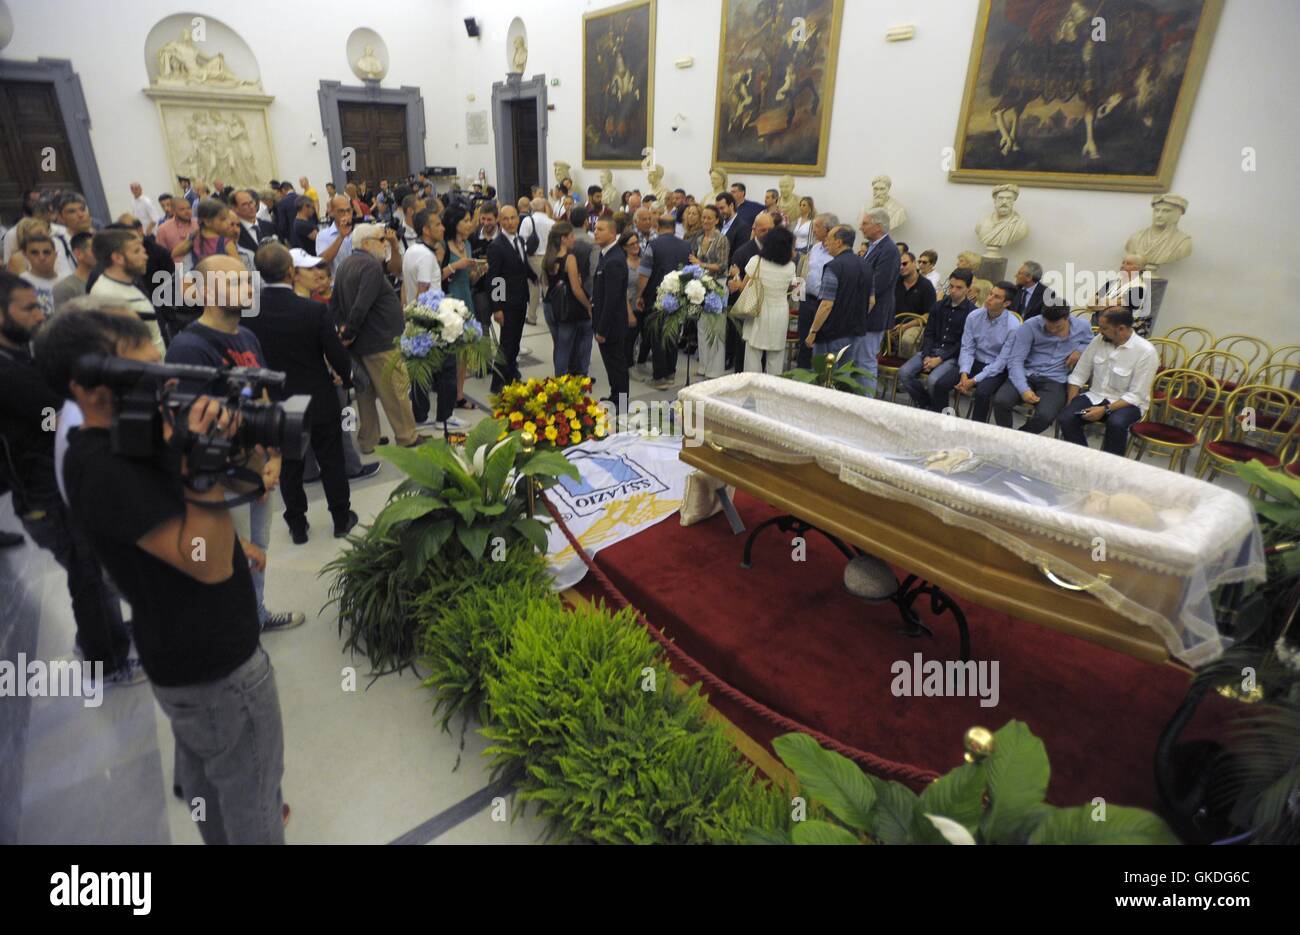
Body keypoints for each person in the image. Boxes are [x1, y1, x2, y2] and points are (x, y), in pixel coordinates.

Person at [38, 307, 289, 844]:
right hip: (217, 669)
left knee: (207, 785)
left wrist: (224, 451)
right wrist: (202, 469)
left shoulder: (127, 432)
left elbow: (174, 517)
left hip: (179, 657)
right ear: (86, 384)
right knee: (254, 804)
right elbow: (204, 559)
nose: (162, 385)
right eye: (143, 374)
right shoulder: (96, 465)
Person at [0, 276, 143, 685]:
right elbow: (55, 412)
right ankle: (109, 661)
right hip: (46, 494)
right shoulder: (8, 373)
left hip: (56, 484)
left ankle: (103, 634)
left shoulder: (23, 356)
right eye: (27, 308)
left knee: (94, 572)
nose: (39, 314)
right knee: (89, 574)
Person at [165, 256, 304, 631]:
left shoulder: (247, 337)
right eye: (235, 282)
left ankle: (255, 616)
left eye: (247, 281)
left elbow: (260, 397)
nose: (247, 289)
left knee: (258, 552)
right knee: (230, 561)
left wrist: (271, 459)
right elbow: (193, 432)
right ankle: (236, 632)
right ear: (206, 291)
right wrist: (242, 474)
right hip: (222, 482)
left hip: (256, 472)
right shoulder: (188, 348)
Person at [247, 244, 356, 542]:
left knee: (291, 466)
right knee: (331, 459)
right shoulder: (313, 309)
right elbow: (336, 354)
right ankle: (340, 518)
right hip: (318, 397)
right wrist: (346, 379)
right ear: (291, 272)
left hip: (279, 401)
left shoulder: (250, 314)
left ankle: (297, 525)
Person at [330, 223, 422, 451]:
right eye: (381, 240)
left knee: (365, 394)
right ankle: (407, 436)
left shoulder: (345, 265)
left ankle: (368, 440)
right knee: (395, 390)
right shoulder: (369, 266)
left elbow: (335, 304)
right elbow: (362, 304)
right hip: (379, 341)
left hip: (360, 343)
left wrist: (343, 331)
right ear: (366, 243)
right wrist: (348, 331)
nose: (385, 244)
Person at [1058, 307, 1158, 455]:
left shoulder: (1145, 352)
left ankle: (1111, 466)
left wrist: (1105, 410)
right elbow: (1079, 374)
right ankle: (1084, 460)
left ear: (1121, 329)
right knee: (1067, 416)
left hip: (1126, 404)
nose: (1100, 331)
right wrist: (1071, 403)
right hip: (1096, 396)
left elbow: (1136, 395)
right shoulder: (1099, 340)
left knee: (1116, 423)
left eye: (1104, 328)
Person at [991, 303, 1094, 434]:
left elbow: (1092, 343)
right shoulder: (1030, 326)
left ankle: (1018, 438)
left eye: (1058, 327)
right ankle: (1005, 435)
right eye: (1049, 327)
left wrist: (1080, 350)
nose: (1053, 331)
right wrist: (1024, 389)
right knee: (1001, 401)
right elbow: (1015, 361)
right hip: (1027, 372)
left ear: (1067, 317)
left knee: (1045, 416)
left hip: (1056, 378)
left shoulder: (1082, 326)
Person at [898, 269, 976, 410]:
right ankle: (927, 404)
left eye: (959, 287)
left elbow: (963, 343)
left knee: (934, 380)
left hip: (952, 355)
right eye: (951, 286)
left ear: (968, 289)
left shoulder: (972, 312)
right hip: (932, 350)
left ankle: (937, 410)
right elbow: (929, 333)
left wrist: (940, 359)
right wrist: (927, 354)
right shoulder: (938, 305)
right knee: (904, 372)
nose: (953, 291)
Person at [805, 226, 870, 389]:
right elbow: (872, 301)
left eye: (830, 239)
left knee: (824, 379)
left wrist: (813, 331)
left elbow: (827, 304)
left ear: (839, 242)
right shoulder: (866, 266)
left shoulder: (834, 267)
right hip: (856, 332)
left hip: (832, 333)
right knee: (844, 378)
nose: (826, 243)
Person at [952, 280, 1021, 423]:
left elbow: (1002, 362)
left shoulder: (1013, 326)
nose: (989, 298)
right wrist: (964, 373)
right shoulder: (974, 316)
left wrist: (974, 380)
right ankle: (943, 422)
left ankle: (977, 429)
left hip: (995, 367)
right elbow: (967, 347)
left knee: (982, 393)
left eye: (996, 297)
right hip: (973, 361)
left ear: (1006, 303)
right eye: (990, 293)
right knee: (940, 383)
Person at [636, 214, 692, 390]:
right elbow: (690, 271)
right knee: (673, 333)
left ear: (657, 226)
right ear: (674, 228)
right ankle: (670, 373)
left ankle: (659, 377)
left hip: (656, 296)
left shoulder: (653, 245)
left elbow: (644, 274)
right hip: (678, 296)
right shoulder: (686, 245)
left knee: (656, 335)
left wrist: (639, 295)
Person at [486, 205, 537, 391]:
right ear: (500, 221)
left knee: (515, 342)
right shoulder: (497, 246)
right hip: (506, 303)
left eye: (513, 218)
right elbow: (495, 278)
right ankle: (498, 383)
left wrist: (535, 276)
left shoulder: (519, 240)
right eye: (505, 219)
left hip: (520, 299)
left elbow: (522, 264)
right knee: (506, 344)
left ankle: (511, 375)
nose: (510, 222)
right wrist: (497, 307)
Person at [89, 230, 162, 352]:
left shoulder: (128, 285)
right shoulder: (107, 296)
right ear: (118, 258)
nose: (145, 256)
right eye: (136, 251)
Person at [740, 226, 797, 375]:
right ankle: (773, 391)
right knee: (776, 355)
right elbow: (794, 290)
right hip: (780, 311)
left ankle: (752, 390)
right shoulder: (791, 267)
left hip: (758, 309)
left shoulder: (756, 261)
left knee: (753, 352)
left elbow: (744, 287)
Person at [541, 221, 592, 377]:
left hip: (549, 305)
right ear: (563, 239)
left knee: (559, 345)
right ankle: (565, 378)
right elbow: (576, 289)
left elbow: (545, 283)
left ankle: (560, 378)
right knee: (567, 345)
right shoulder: (569, 258)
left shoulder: (548, 257)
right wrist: (588, 305)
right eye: (571, 236)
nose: (574, 239)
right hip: (566, 307)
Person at [858, 208, 900, 386]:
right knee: (859, 359)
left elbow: (879, 282)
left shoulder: (889, 250)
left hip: (875, 313)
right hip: (865, 311)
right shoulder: (874, 247)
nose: (861, 227)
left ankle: (866, 403)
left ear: (878, 227)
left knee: (866, 361)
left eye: (865, 223)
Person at [592, 219, 630, 413]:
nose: (595, 232)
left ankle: (621, 402)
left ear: (613, 233)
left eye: (600, 229)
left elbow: (612, 299)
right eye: (595, 228)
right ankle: (616, 396)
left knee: (617, 365)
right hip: (608, 322)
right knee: (612, 365)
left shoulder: (614, 260)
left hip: (611, 325)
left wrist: (602, 329)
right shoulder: (607, 254)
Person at [795, 212, 836, 369]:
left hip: (824, 303)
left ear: (828, 229)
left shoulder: (836, 253)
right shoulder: (815, 247)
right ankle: (801, 374)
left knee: (820, 343)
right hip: (807, 300)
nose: (813, 230)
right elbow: (803, 271)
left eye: (817, 227)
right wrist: (797, 296)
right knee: (803, 340)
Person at [1086, 253, 1150, 335]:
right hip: (1096, 324)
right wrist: (1110, 303)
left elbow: (1119, 307)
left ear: (1138, 269)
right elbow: (1090, 303)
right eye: (1123, 262)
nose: (1123, 265)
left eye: (1128, 263)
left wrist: (1100, 303)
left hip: (1118, 330)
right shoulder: (1111, 283)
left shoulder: (1139, 288)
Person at [521, 197, 554, 327]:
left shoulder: (528, 221)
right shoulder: (552, 222)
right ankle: (551, 316)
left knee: (533, 287)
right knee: (548, 286)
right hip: (548, 257)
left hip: (533, 257)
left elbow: (522, 240)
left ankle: (532, 316)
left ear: (532, 207)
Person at [19, 232, 60, 314]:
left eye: (46, 252)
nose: (42, 257)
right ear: (25, 255)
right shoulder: (19, 283)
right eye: (34, 253)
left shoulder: (66, 281)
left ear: (55, 255)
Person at [53, 231, 95, 308]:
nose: (99, 253)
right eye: (94, 249)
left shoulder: (104, 281)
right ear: (79, 253)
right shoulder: (65, 288)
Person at [233, 188, 277, 254]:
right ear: (235, 208)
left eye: (251, 202)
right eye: (245, 204)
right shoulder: (234, 231)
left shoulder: (268, 226)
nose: (251, 206)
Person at [895, 251, 937, 318]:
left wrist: (906, 326)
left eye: (904, 263)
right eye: (899, 264)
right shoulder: (895, 282)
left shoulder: (926, 285)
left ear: (914, 263)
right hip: (893, 323)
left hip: (915, 324)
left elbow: (929, 314)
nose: (901, 267)